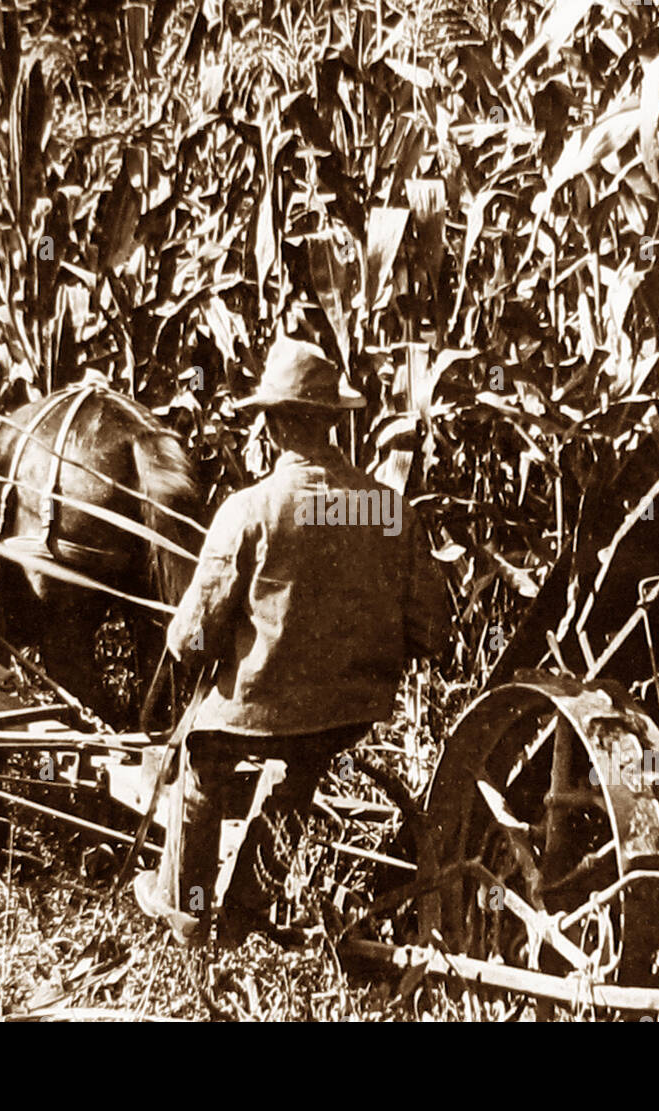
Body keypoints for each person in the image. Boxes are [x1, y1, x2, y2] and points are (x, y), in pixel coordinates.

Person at [134, 334, 447, 945]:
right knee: (295, 773)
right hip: (348, 710)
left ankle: (187, 910)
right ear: (331, 423)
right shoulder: (389, 510)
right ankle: (247, 910)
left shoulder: (249, 510)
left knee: (201, 765)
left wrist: (185, 642)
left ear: (274, 425)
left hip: (261, 703)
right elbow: (432, 628)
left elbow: (193, 637)